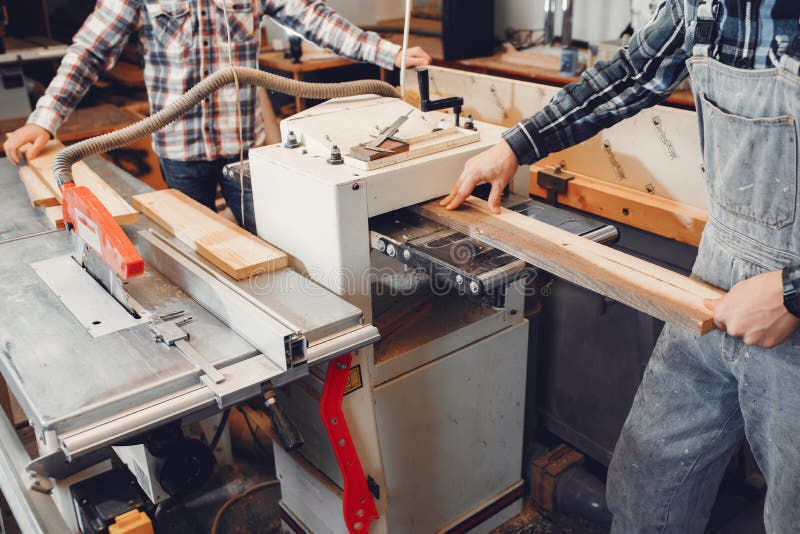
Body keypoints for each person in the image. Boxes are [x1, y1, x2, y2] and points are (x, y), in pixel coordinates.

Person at [442, 1, 800, 531]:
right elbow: (630, 74)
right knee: (645, 484)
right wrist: (517, 146)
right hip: (713, 274)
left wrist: (792, 293)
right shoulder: (704, 6)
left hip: (789, 303)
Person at [3, 0, 431, 233]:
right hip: (180, 153)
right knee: (196, 251)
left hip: (247, 151)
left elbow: (314, 18)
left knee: (268, 246)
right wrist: (45, 120)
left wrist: (389, 54)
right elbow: (89, 52)